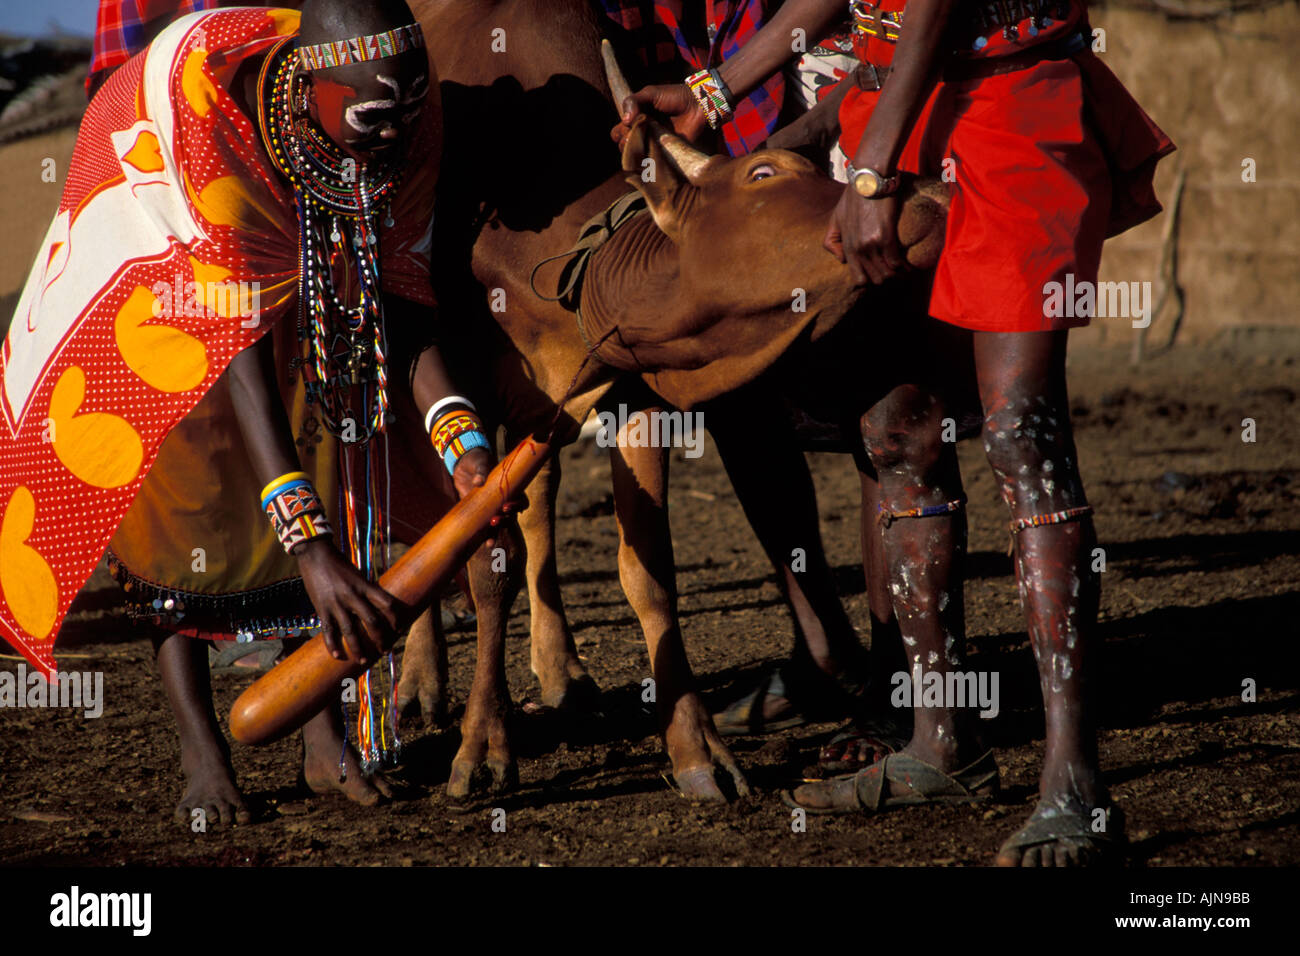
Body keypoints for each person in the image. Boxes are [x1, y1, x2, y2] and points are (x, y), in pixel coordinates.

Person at [614, 0, 1174, 864]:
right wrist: (715, 94)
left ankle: (1075, 783)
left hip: (1013, 107)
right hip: (887, 109)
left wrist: (870, 176)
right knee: (899, 433)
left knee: (1024, 433)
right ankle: (940, 740)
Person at [0, 0, 495, 825]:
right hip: (156, 228)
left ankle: (325, 741)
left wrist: (463, 443)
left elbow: (403, 310)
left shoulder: (407, 114)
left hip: (284, 233)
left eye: (405, 115)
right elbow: (233, 344)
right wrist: (312, 549)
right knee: (185, 481)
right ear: (306, 85)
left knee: (318, 408)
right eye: (372, 118)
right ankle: (201, 749)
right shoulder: (212, 114)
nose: (391, 137)